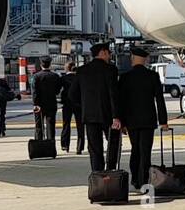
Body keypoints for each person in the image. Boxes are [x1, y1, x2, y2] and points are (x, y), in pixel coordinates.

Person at [118, 47, 169, 189]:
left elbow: (120, 101)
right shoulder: (152, 76)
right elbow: (159, 100)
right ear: (145, 59)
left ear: (133, 59)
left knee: (135, 149)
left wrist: (121, 122)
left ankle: (135, 178)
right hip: (148, 120)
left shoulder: (125, 77)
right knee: (145, 150)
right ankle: (143, 180)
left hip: (131, 121)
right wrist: (163, 121)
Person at [69, 42, 121, 172]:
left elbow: (72, 94)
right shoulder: (111, 70)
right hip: (108, 115)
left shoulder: (82, 70)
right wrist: (116, 116)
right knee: (113, 143)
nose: (109, 55)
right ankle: (110, 170)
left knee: (94, 147)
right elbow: (113, 94)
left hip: (89, 115)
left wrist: (85, 105)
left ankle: (97, 174)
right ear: (103, 52)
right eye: (108, 52)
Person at [31, 57, 62, 142]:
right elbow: (57, 91)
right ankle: (51, 145)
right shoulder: (55, 76)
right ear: (50, 65)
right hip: (51, 103)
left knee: (39, 125)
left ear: (41, 65)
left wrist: (35, 104)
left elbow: (34, 92)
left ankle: (39, 144)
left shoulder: (36, 76)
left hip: (39, 104)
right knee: (51, 125)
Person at [60, 61, 84, 154]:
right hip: (79, 104)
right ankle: (80, 147)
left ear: (67, 68)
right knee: (80, 126)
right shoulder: (80, 78)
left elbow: (59, 90)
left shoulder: (63, 78)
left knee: (66, 124)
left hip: (67, 104)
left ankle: (65, 145)